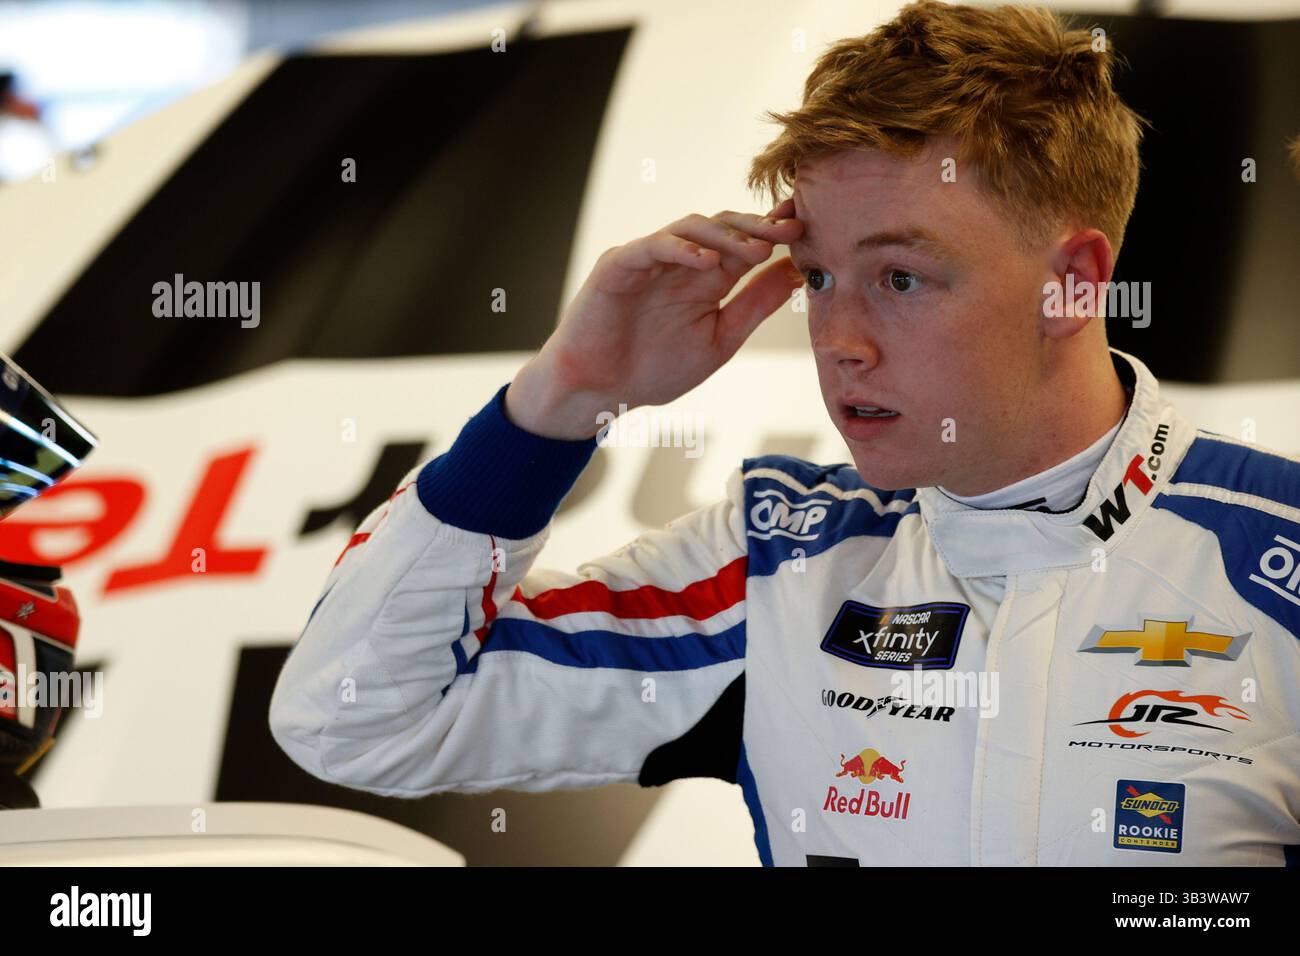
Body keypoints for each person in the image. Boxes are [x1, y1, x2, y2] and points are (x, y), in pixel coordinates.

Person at [269, 1, 1300, 865]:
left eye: (900, 277)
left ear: (1071, 282)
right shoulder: (782, 561)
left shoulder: (1274, 556)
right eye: (816, 277)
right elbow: (353, 715)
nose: (840, 339)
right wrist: (563, 397)